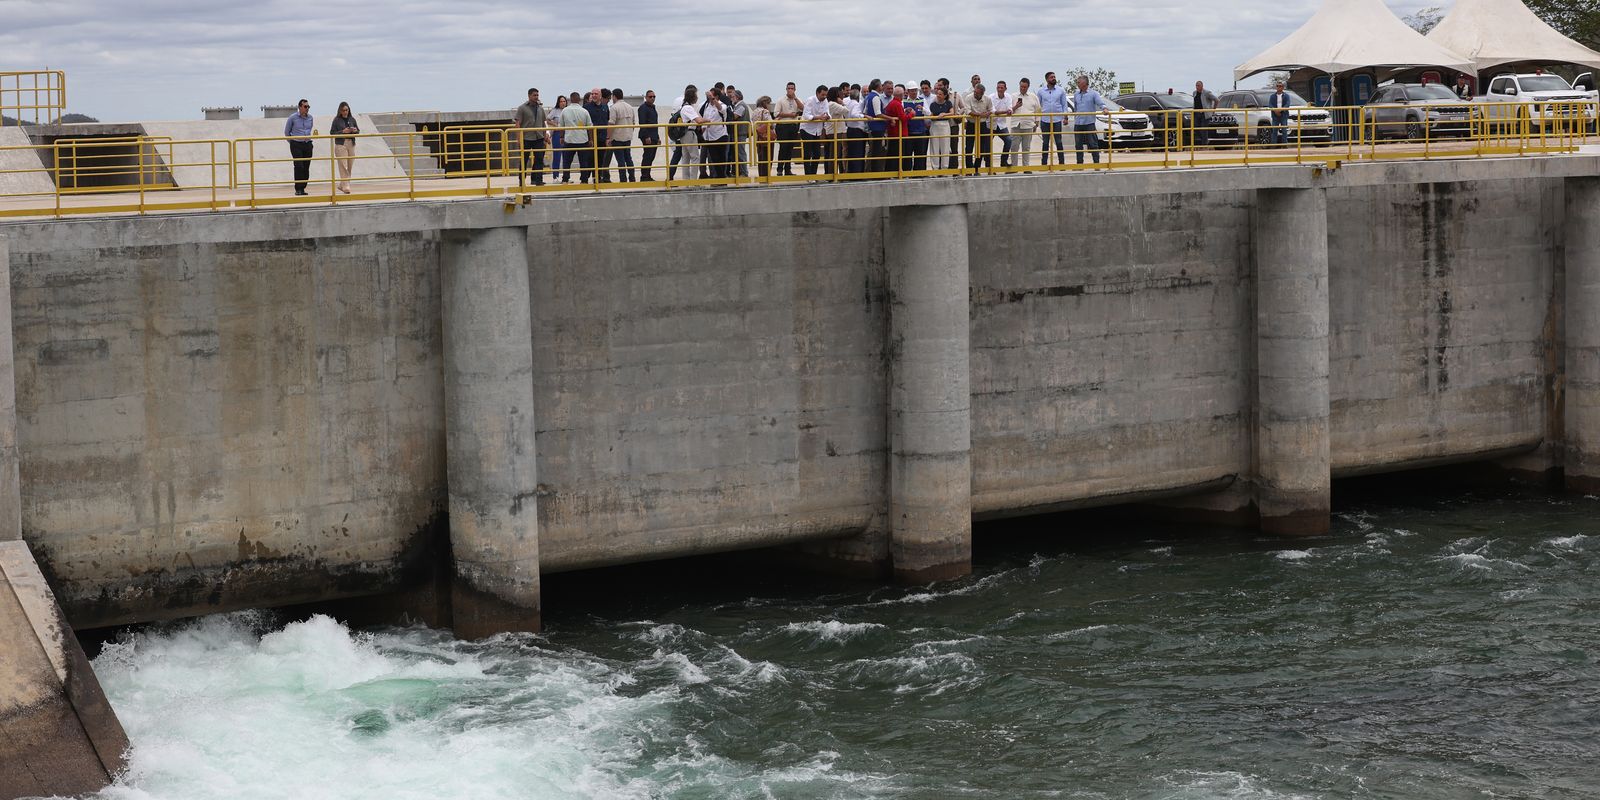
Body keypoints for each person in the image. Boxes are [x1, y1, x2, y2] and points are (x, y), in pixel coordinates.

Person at [1071, 75, 1110, 165]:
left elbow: (1100, 103)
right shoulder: (1076, 94)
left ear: (1084, 83)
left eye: (1078, 82)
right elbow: (1076, 107)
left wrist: (1104, 109)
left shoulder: (1093, 94)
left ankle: (1096, 163)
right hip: (1078, 122)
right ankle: (1079, 164)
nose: (1077, 84)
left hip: (1089, 122)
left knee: (1093, 144)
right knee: (1078, 145)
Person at [512, 88, 547, 187]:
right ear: (529, 96)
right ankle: (521, 181)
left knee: (539, 159)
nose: (536, 97)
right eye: (534, 95)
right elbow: (517, 123)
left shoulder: (540, 108)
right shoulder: (522, 108)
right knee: (524, 160)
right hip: (526, 138)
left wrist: (545, 136)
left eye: (537, 95)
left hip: (538, 137)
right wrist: (519, 139)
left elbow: (543, 123)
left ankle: (538, 180)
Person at [560, 92, 594, 183]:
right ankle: (584, 179)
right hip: (582, 140)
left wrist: (561, 137)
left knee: (567, 162)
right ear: (579, 100)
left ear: (570, 100)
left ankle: (565, 178)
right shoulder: (584, 111)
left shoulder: (565, 111)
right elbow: (590, 127)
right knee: (583, 162)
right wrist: (591, 139)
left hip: (569, 139)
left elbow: (561, 126)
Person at [284, 98, 314, 195]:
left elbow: (310, 129)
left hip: (307, 144)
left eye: (308, 106)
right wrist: (292, 142)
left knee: (306, 166)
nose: (307, 108)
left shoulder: (310, 118)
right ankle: (298, 189)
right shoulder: (292, 118)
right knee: (299, 166)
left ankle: (303, 188)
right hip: (296, 144)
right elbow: (287, 132)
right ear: (300, 107)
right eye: (305, 106)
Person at [1038, 71, 1068, 166]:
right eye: (1051, 77)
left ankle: (1061, 163)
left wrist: (1065, 117)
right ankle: (1044, 164)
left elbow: (1064, 105)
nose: (1054, 78)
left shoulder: (1061, 90)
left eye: (1054, 77)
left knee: (1058, 141)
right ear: (1047, 79)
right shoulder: (1041, 91)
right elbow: (1038, 106)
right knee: (1045, 142)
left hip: (1057, 120)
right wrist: (1036, 119)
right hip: (1045, 120)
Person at [800, 84, 831, 176]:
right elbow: (806, 115)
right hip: (806, 129)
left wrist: (827, 116)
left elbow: (828, 113)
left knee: (817, 154)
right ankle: (808, 175)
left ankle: (813, 174)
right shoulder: (810, 100)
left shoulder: (825, 101)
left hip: (817, 130)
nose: (824, 97)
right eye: (822, 95)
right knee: (807, 153)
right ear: (817, 93)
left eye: (826, 95)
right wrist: (819, 117)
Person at [675, 85, 704, 180]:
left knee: (686, 158)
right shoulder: (688, 108)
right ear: (692, 97)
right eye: (696, 95)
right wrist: (709, 120)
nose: (697, 97)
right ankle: (693, 181)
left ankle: (686, 180)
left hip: (684, 134)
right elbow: (699, 120)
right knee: (695, 158)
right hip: (689, 133)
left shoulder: (684, 107)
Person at [774, 82, 803, 177]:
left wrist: (795, 98)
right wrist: (789, 115)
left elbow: (803, 108)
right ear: (786, 89)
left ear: (795, 89)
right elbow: (776, 113)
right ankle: (779, 169)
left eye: (792, 88)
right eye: (788, 88)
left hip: (793, 126)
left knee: (790, 149)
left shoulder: (797, 100)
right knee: (783, 148)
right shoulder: (781, 100)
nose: (790, 90)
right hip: (783, 126)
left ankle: (788, 169)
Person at [700, 88, 729, 181]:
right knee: (714, 159)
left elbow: (721, 109)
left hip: (720, 135)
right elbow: (705, 118)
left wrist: (713, 98)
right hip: (709, 136)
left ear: (716, 96)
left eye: (711, 96)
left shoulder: (722, 105)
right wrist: (703, 130)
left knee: (721, 158)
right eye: (709, 96)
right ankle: (719, 177)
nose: (709, 98)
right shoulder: (707, 106)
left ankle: (722, 178)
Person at [329, 101, 358, 194]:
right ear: (340, 111)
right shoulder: (336, 120)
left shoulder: (352, 119)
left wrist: (354, 130)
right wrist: (343, 132)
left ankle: (342, 184)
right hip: (341, 144)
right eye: (343, 110)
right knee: (343, 166)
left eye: (347, 110)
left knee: (350, 165)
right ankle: (346, 186)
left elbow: (358, 130)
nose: (345, 112)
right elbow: (332, 133)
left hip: (351, 143)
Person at [1011, 78, 1041, 169]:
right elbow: (1009, 109)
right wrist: (1016, 106)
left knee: (1026, 147)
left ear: (1028, 87)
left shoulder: (1033, 96)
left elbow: (1038, 110)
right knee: (1014, 147)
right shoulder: (1013, 96)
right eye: (1021, 86)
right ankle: (1014, 167)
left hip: (1028, 125)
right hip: (1016, 124)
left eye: (1024, 87)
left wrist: (1037, 123)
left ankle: (1026, 167)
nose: (1022, 88)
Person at [583, 89, 612, 182]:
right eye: (592, 94)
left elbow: (607, 121)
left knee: (600, 159)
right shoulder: (586, 107)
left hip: (602, 137)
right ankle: (584, 178)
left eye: (596, 94)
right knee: (589, 159)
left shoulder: (605, 107)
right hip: (590, 138)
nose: (594, 95)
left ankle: (597, 177)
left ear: (600, 96)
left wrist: (608, 137)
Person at [609, 88, 637, 183]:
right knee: (628, 158)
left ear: (614, 96)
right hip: (628, 136)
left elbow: (611, 123)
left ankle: (623, 179)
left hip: (617, 137)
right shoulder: (630, 107)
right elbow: (633, 123)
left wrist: (608, 137)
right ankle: (632, 178)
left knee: (620, 160)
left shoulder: (614, 107)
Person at [966, 83, 994, 172]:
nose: (975, 94)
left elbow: (992, 109)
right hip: (971, 124)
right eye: (975, 92)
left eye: (977, 93)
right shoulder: (968, 98)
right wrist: (980, 115)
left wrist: (987, 114)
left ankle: (976, 168)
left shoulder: (987, 99)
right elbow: (968, 111)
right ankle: (969, 169)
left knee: (982, 148)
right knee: (969, 147)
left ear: (982, 93)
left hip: (982, 125)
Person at [928, 85, 955, 171]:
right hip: (935, 125)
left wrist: (944, 114)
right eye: (937, 94)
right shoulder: (933, 104)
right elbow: (931, 115)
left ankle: (944, 168)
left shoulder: (948, 103)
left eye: (940, 94)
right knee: (934, 147)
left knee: (945, 147)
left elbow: (952, 113)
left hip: (945, 125)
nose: (938, 95)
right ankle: (935, 168)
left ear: (945, 95)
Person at [842, 82, 868, 173]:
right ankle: (857, 172)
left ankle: (852, 171)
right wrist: (863, 116)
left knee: (852, 153)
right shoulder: (856, 104)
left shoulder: (848, 103)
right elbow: (854, 114)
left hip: (850, 128)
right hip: (856, 130)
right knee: (858, 153)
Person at [904, 84, 929, 173]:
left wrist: (922, 109)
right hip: (908, 132)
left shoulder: (922, 100)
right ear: (908, 91)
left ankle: (919, 173)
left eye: (915, 90)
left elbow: (929, 113)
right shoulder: (903, 101)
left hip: (920, 131)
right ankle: (907, 172)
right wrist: (905, 110)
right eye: (912, 90)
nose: (914, 92)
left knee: (920, 154)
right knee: (907, 154)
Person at [727, 89, 751, 179]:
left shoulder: (741, 106)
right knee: (738, 153)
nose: (731, 98)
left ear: (737, 97)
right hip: (739, 132)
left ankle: (744, 173)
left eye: (733, 97)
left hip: (740, 133)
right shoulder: (738, 105)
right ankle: (740, 172)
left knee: (741, 153)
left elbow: (735, 116)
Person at [638, 90, 660, 181]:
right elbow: (642, 123)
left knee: (651, 156)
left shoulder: (653, 107)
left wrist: (658, 137)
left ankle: (648, 175)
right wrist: (646, 136)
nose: (652, 98)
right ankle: (644, 176)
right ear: (646, 97)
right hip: (647, 136)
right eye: (650, 97)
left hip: (654, 135)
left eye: (654, 96)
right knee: (647, 156)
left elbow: (655, 123)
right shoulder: (643, 108)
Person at [991, 80, 1013, 167]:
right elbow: (994, 111)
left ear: (1005, 88)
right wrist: (1006, 111)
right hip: (991, 124)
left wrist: (1010, 111)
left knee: (1008, 141)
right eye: (998, 87)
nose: (999, 89)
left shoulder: (1008, 96)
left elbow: (1010, 108)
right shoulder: (991, 97)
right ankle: (989, 165)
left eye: (1001, 88)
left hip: (1001, 124)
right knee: (986, 145)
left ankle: (1003, 161)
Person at [752, 95, 776, 178]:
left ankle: (761, 175)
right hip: (767, 137)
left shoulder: (755, 111)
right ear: (765, 103)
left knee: (761, 157)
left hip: (759, 137)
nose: (769, 105)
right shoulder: (765, 111)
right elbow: (771, 124)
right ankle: (766, 176)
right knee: (768, 157)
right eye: (769, 103)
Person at [549, 95, 570, 183]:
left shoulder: (568, 110)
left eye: (564, 101)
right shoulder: (555, 111)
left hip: (567, 133)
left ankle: (566, 176)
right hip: (557, 133)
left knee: (567, 156)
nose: (563, 103)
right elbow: (548, 119)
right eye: (561, 101)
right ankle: (555, 176)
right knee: (557, 155)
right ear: (558, 102)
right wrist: (555, 125)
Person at [1193, 80, 1218, 147]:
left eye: (1198, 85)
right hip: (1196, 113)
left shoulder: (1207, 93)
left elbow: (1216, 99)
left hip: (1205, 113)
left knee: (1204, 128)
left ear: (1202, 86)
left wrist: (1213, 109)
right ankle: (1205, 140)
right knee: (1196, 128)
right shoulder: (1194, 93)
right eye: (1196, 85)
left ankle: (1204, 144)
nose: (1197, 87)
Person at [1267, 80, 1292, 145]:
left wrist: (1280, 110)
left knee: (1284, 130)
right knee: (1274, 130)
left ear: (1283, 87)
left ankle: (1284, 144)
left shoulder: (1286, 96)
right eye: (1277, 86)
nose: (1279, 87)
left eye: (1280, 86)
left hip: (1284, 115)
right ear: (1276, 87)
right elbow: (1270, 105)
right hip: (1275, 115)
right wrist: (1275, 111)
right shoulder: (1272, 96)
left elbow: (1287, 104)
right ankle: (1274, 144)